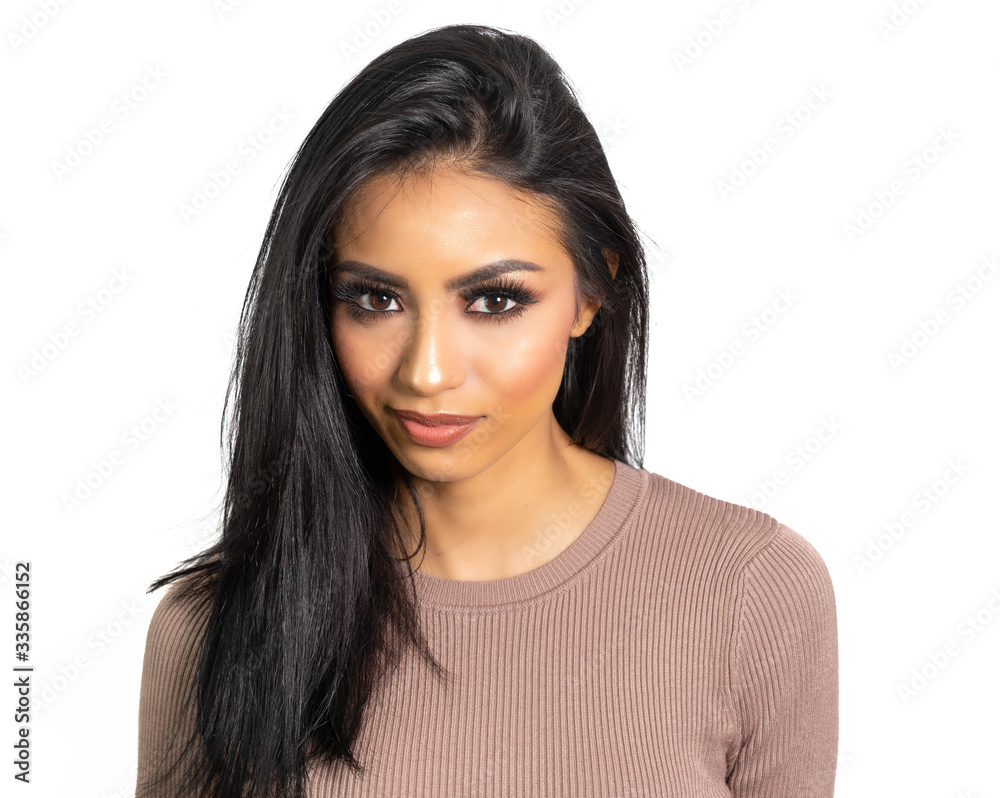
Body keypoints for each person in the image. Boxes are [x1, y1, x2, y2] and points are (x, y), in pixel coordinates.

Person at [135, 23, 838, 798]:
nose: (428, 372)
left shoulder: (750, 590)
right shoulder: (214, 625)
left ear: (592, 291)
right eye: (376, 298)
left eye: (495, 300)